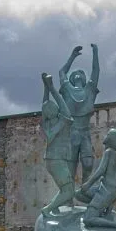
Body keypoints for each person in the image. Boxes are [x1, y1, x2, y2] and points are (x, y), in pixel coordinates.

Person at [58, 43, 100, 182]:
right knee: (70, 167)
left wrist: (95, 52)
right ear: (71, 79)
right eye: (74, 74)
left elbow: (96, 71)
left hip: (85, 133)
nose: (77, 74)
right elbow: (61, 72)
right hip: (72, 133)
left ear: (84, 78)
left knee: (88, 164)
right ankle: (68, 196)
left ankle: (84, 188)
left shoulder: (89, 90)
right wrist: (72, 56)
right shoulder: (67, 90)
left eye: (80, 73)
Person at [39, 71, 77, 217]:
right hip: (57, 160)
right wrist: (52, 88)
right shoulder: (63, 122)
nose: (58, 107)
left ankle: (54, 208)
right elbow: (64, 107)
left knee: (64, 189)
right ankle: (48, 209)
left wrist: (46, 88)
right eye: (55, 107)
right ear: (54, 111)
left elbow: (44, 105)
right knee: (69, 191)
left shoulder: (46, 124)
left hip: (51, 160)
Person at [76, 128, 116, 229]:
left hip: (106, 191)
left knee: (87, 219)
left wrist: (88, 184)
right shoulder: (114, 154)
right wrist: (111, 202)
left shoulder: (109, 152)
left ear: (110, 139)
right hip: (106, 189)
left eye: (107, 135)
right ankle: (97, 208)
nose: (105, 136)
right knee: (78, 194)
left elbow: (101, 170)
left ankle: (115, 225)